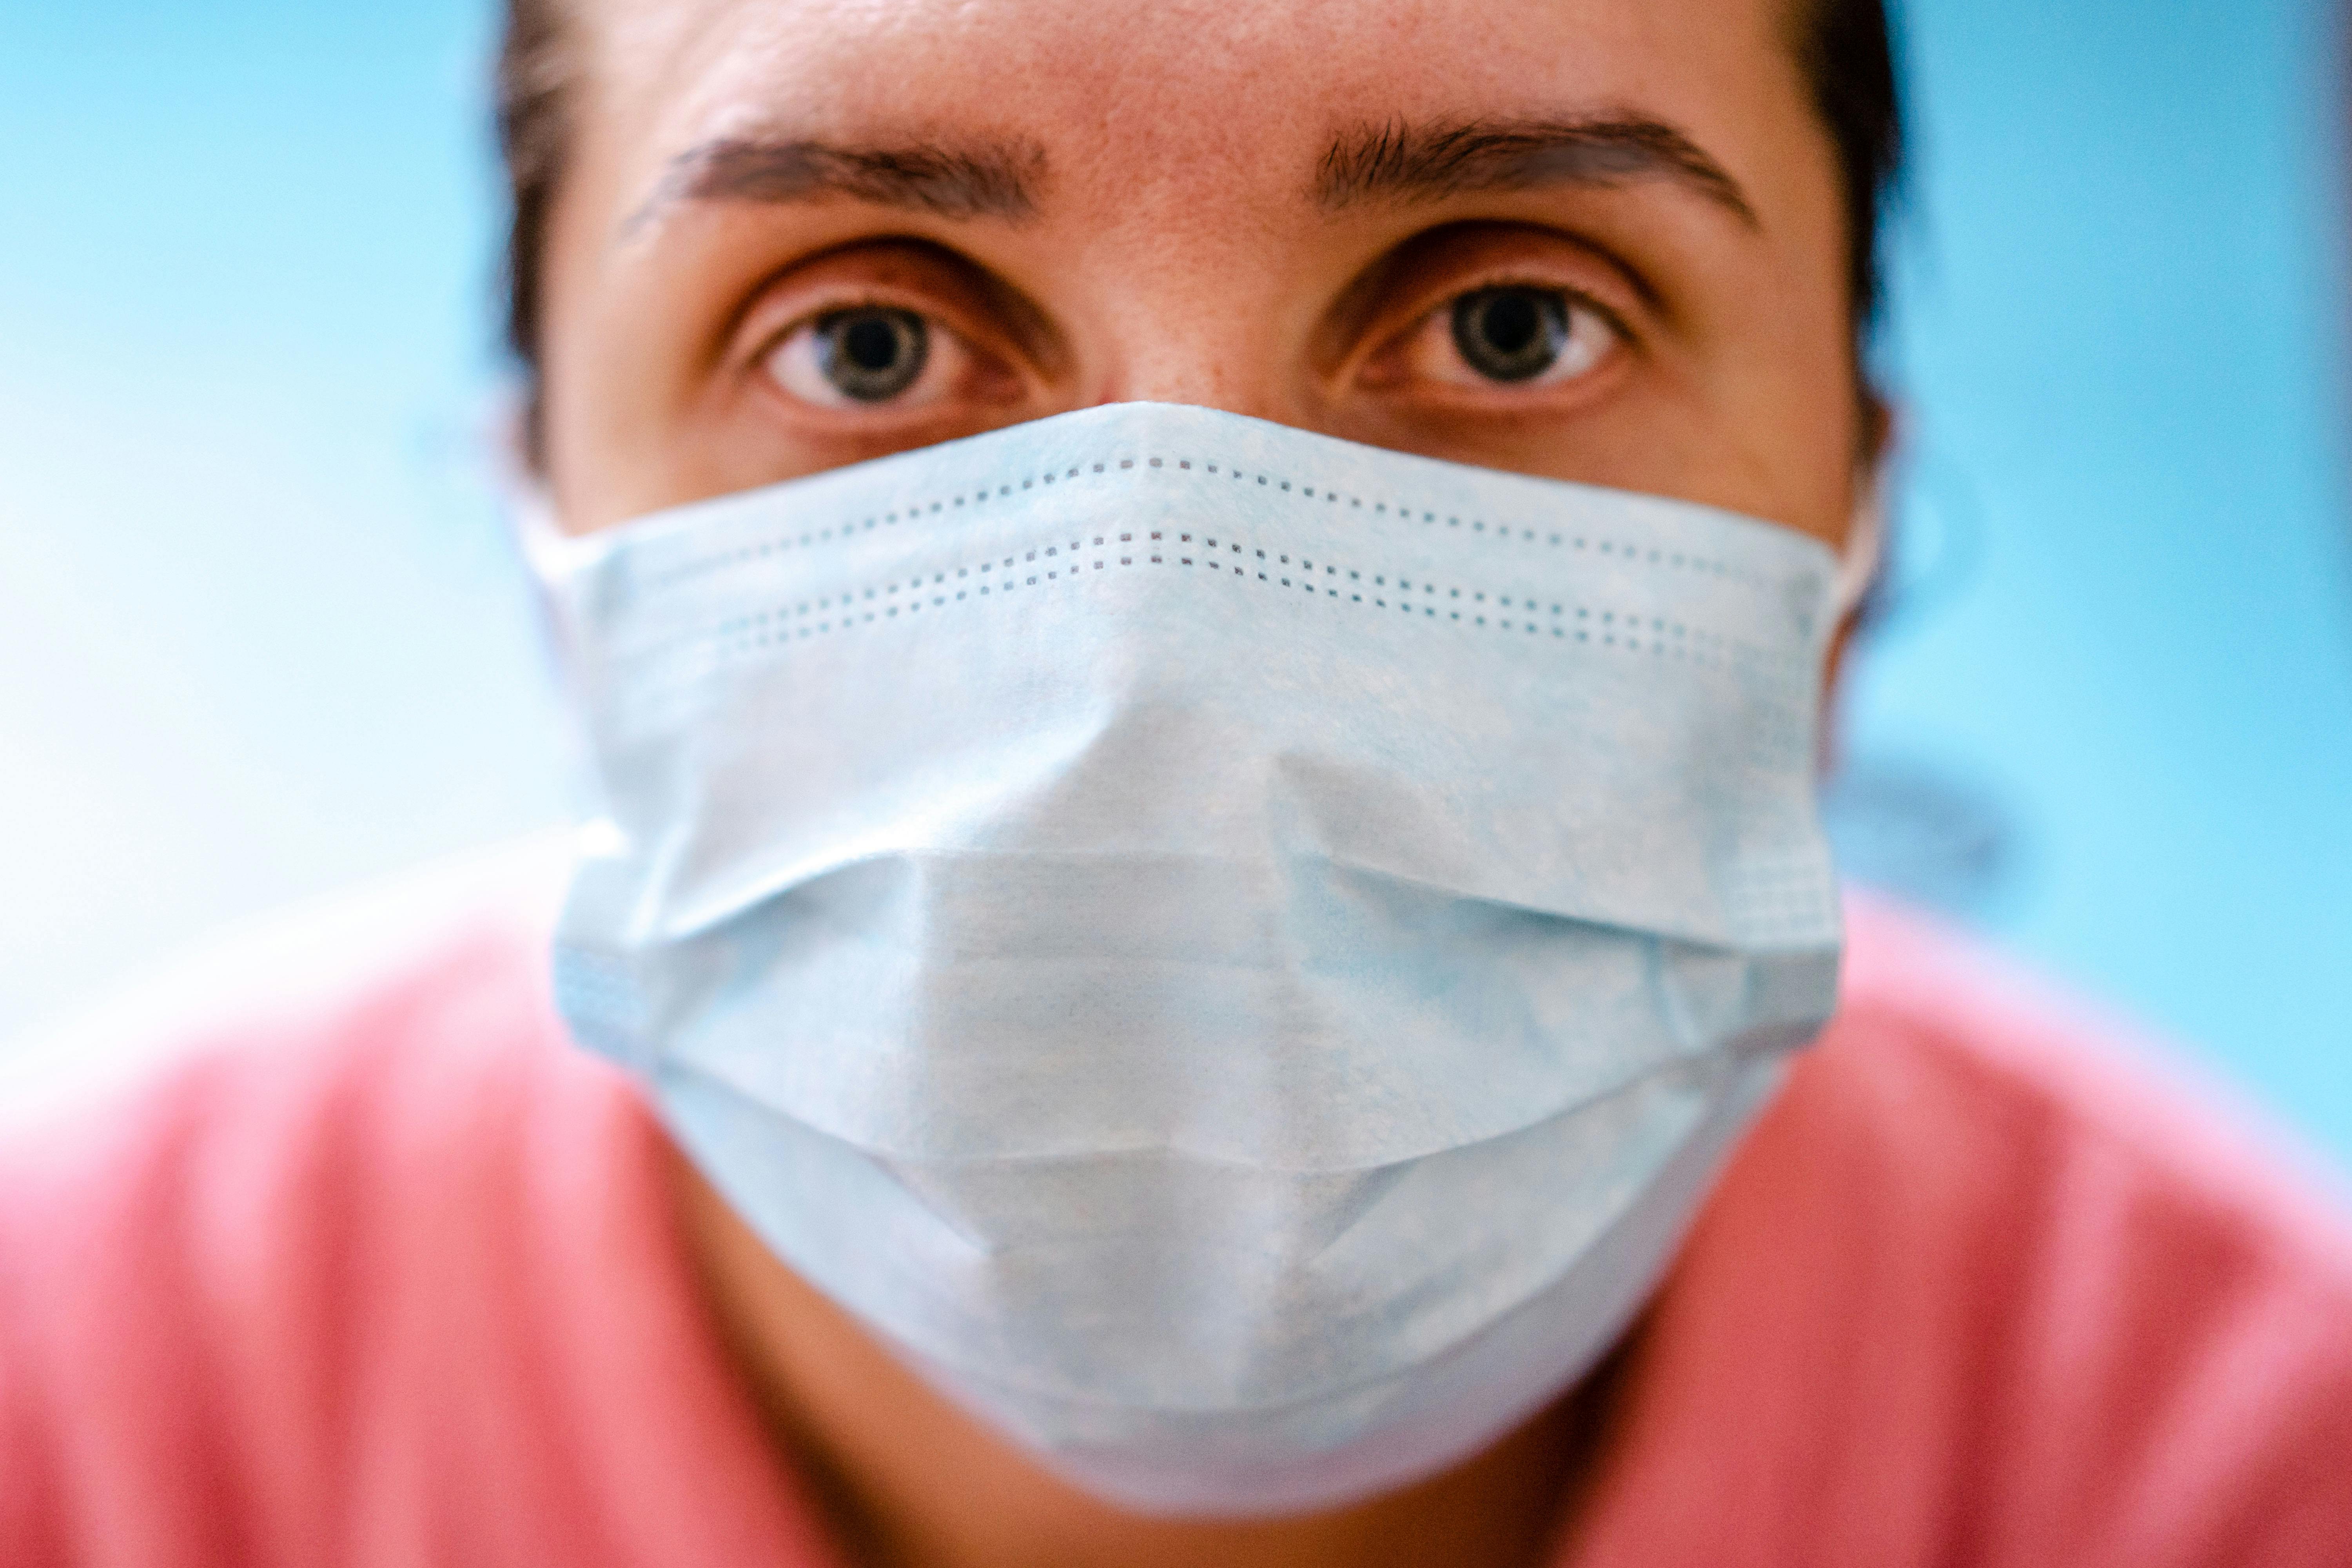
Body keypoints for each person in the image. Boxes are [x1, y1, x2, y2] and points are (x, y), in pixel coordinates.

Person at [4, 0, 2349, 1563]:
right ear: (552, 546)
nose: (1151, 668)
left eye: (1508, 320)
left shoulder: (2233, 1466)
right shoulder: (86, 1416)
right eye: (868, 336)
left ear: (1848, 544)